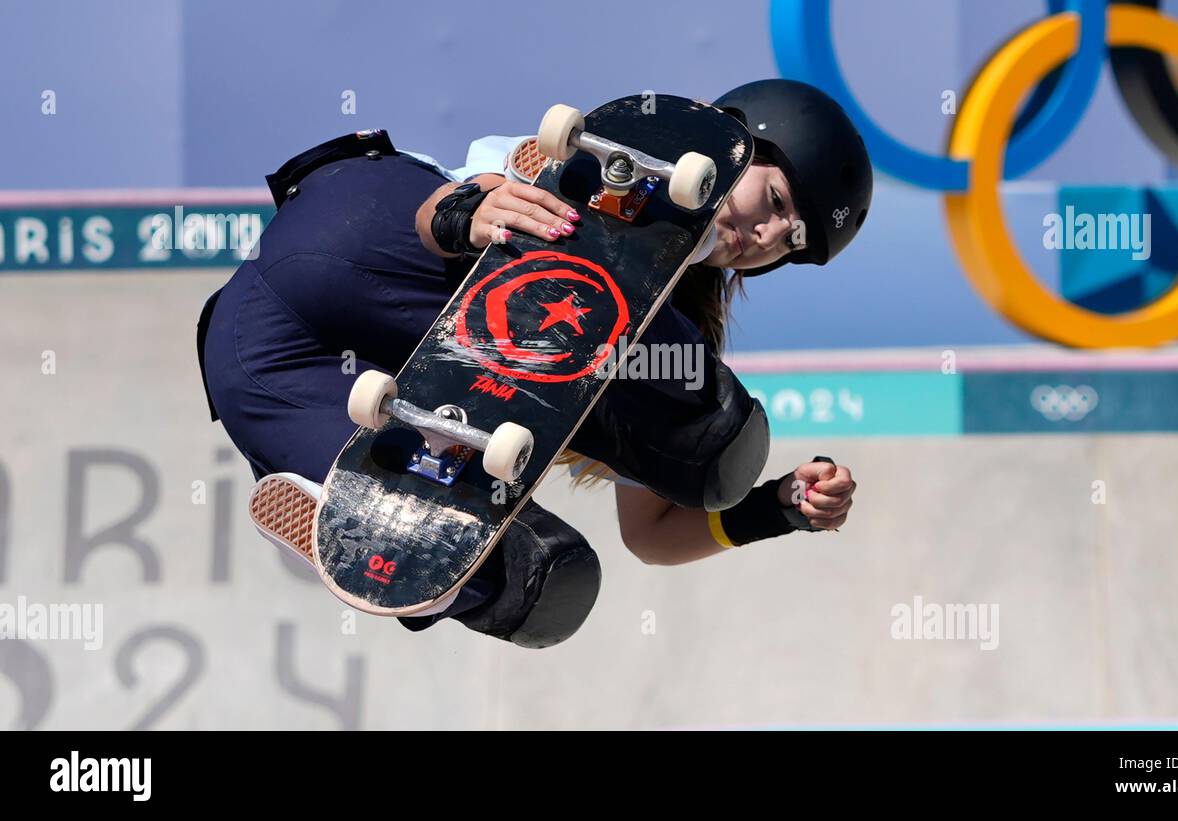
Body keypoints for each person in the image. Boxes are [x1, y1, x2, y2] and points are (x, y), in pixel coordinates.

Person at [198, 79, 869, 648]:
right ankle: (382, 539)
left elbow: (651, 533)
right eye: (777, 203)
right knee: (708, 421)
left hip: (255, 355)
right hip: (366, 230)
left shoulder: (655, 313)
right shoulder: (620, 167)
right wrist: (468, 207)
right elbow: (467, 191)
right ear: (739, 142)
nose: (768, 238)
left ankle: (354, 518)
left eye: (793, 240)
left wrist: (777, 510)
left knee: (535, 576)